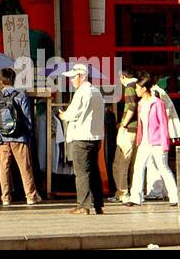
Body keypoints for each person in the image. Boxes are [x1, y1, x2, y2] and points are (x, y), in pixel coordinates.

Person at [124, 75, 179, 207]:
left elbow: (163, 124)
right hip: (144, 142)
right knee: (138, 168)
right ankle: (135, 198)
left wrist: (165, 144)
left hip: (158, 143)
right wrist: (139, 140)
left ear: (144, 89)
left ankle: (175, 197)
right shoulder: (141, 104)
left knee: (163, 168)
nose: (136, 90)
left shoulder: (158, 103)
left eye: (137, 88)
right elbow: (141, 125)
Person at [0, 68, 41, 206]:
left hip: (1, 138)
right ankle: (30, 196)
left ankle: (5, 198)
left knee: (3, 168)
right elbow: (27, 119)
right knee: (25, 168)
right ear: (14, 79)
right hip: (19, 138)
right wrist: (29, 136)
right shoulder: (21, 95)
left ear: (1, 81)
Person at [58, 64, 104, 215]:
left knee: (82, 173)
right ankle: (98, 204)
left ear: (81, 77)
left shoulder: (82, 93)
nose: (71, 80)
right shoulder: (96, 92)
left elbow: (73, 114)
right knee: (94, 172)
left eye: (73, 77)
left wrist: (63, 115)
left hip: (81, 137)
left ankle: (83, 206)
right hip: (95, 138)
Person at [112, 70, 139, 202]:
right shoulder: (138, 86)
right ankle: (135, 192)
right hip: (137, 130)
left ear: (123, 76)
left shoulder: (129, 87)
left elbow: (131, 107)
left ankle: (122, 193)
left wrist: (123, 125)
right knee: (134, 164)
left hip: (129, 130)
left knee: (120, 163)